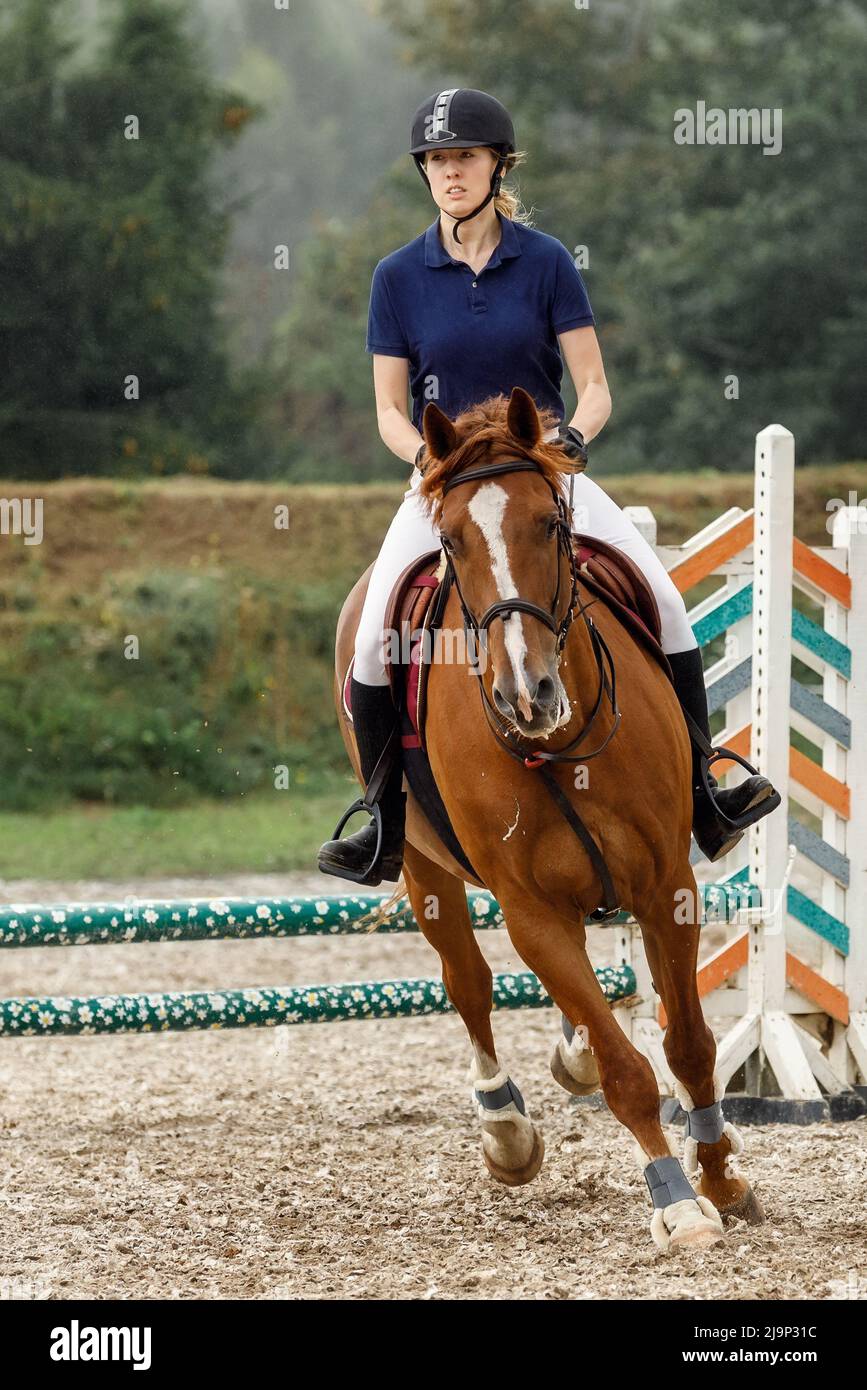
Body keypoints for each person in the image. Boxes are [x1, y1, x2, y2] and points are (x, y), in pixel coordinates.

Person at [318, 87, 777, 886]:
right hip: (444, 483)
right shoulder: (397, 276)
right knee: (368, 640)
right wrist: (428, 462)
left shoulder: (546, 261)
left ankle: (705, 787)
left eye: (462, 156)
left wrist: (570, 439)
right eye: (434, 160)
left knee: (662, 600)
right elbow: (391, 410)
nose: (448, 172)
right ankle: (385, 820)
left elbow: (593, 386)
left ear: (498, 166)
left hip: (539, 475)